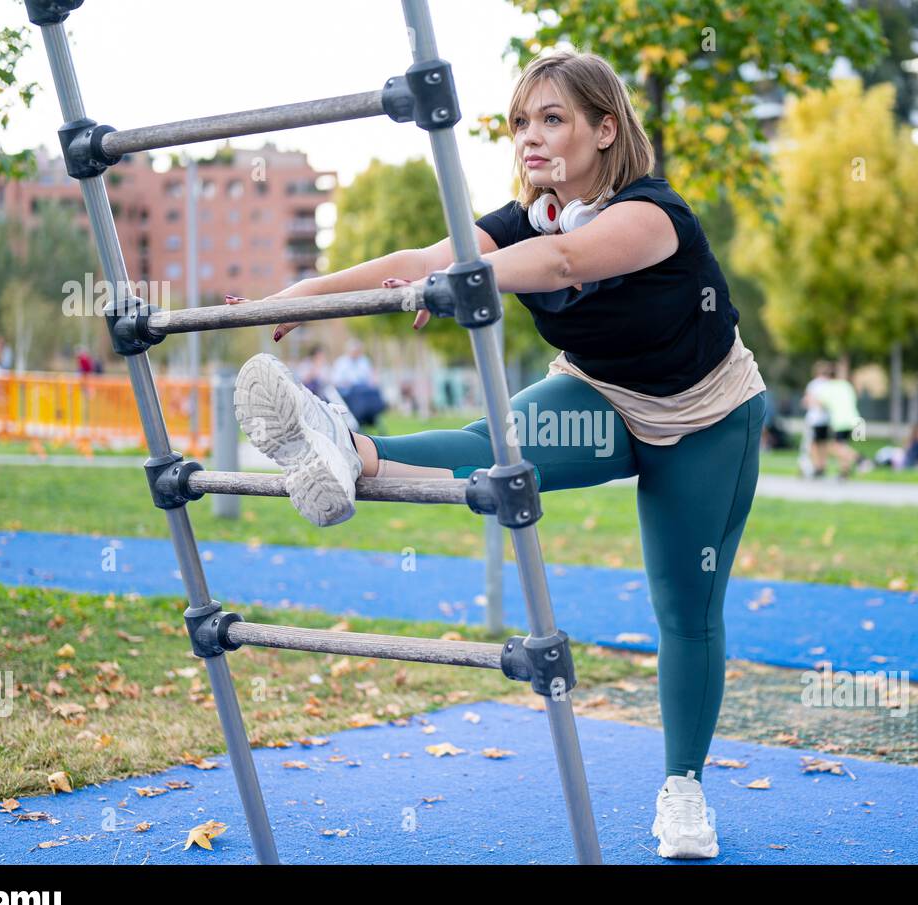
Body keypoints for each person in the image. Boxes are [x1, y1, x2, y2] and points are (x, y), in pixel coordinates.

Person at [234, 50, 766, 860]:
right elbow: (423, 260)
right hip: (600, 395)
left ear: (605, 129)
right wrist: (307, 296)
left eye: (553, 119)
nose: (532, 138)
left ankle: (684, 788)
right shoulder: (525, 219)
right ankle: (347, 447)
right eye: (521, 123)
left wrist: (460, 277)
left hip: (707, 416)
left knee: (684, 610)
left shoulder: (654, 214)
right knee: (498, 449)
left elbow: (565, 264)